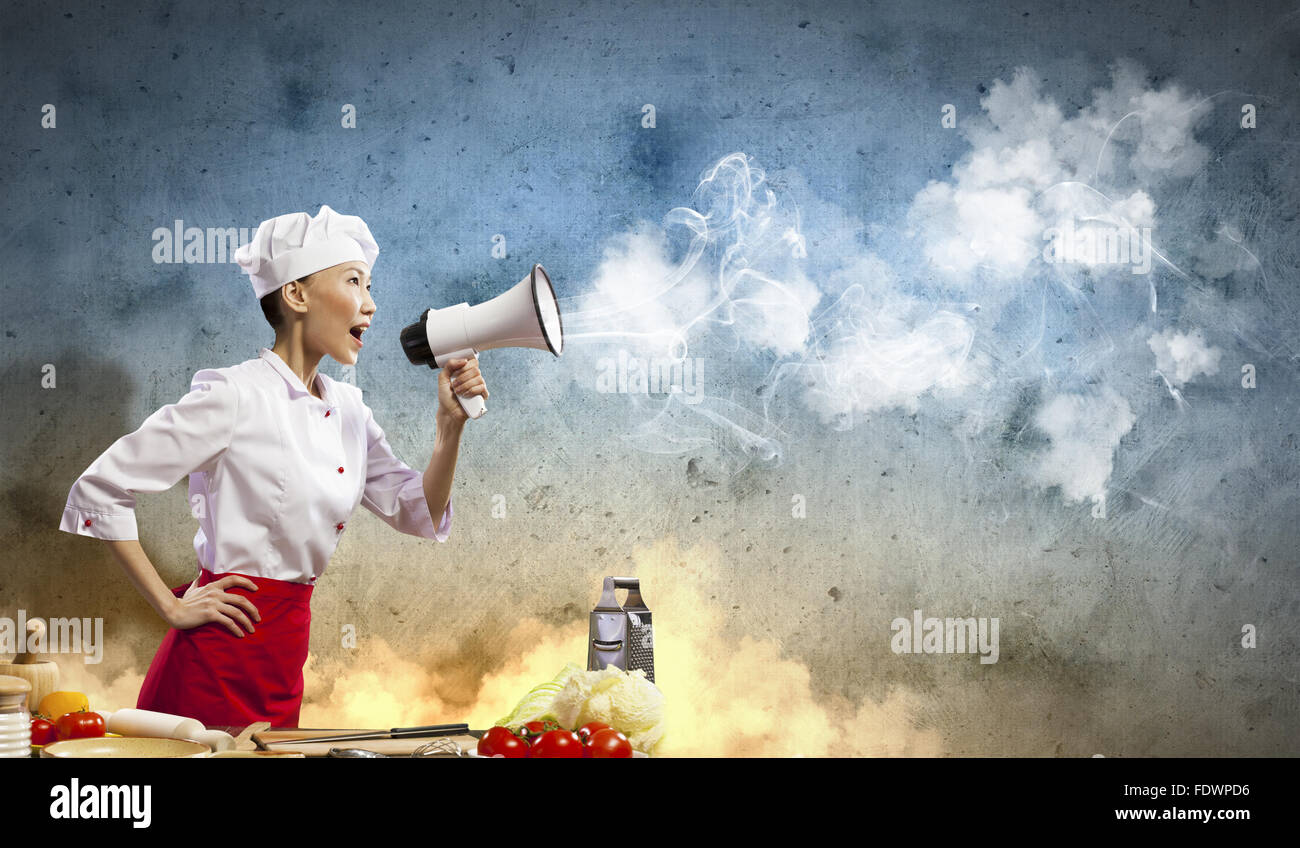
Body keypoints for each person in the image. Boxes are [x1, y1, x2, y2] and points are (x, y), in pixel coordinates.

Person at [57, 205, 486, 728]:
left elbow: (419, 512)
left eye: (370, 286)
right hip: (213, 665)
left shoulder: (350, 411)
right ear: (296, 294)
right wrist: (171, 608)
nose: (371, 305)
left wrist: (450, 429)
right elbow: (100, 488)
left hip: (284, 662)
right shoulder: (234, 394)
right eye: (354, 282)